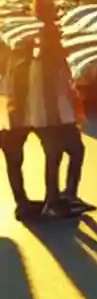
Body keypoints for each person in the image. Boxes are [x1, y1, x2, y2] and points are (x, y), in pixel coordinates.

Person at [27, 0, 95, 218]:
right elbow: (56, 81)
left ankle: (54, 199)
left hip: (44, 113)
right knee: (75, 150)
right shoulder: (49, 41)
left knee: (53, 155)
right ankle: (66, 196)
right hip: (55, 113)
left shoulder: (36, 39)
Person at [1, 35, 39, 221]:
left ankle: (22, 202)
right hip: (10, 124)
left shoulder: (13, 66)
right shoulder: (15, 67)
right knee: (14, 162)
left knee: (14, 163)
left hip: (11, 124)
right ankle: (22, 203)